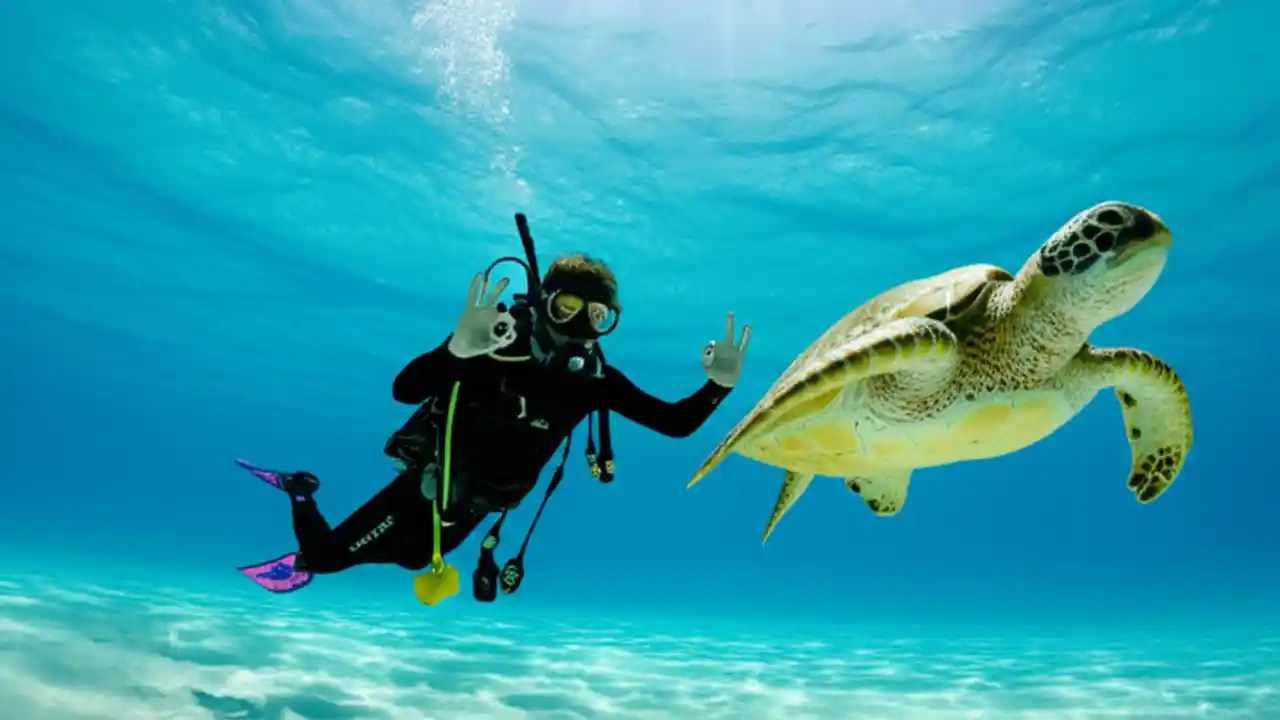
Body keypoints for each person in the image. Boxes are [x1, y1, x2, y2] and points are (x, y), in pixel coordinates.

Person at [234, 214, 751, 601]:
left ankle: (345, 531)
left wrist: (719, 386)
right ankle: (300, 491)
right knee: (326, 560)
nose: (578, 326)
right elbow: (405, 389)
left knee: (413, 559)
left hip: (483, 503)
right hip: (430, 486)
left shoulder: (595, 382)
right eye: (567, 308)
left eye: (596, 316)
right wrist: (455, 351)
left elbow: (676, 423)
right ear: (544, 302)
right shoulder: (493, 346)